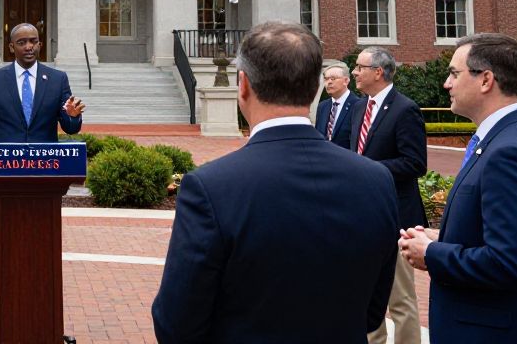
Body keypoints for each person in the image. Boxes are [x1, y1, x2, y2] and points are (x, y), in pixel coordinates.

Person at [151, 22, 398, 344]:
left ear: (243, 86)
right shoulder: (376, 180)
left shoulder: (211, 186)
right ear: (315, 87)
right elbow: (372, 312)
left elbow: (176, 323)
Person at [398, 33, 517, 344]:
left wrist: (433, 253)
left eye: (454, 74)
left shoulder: (507, 151)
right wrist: (447, 238)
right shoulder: (503, 137)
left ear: (486, 80)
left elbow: (508, 262)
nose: (446, 84)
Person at [351, 46, 427, 344]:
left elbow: (415, 163)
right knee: (367, 294)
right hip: (361, 216)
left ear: (378, 72)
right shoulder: (359, 107)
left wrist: (366, 168)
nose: (354, 72)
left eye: (360, 67)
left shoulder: (405, 109)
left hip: (396, 217)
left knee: (400, 298)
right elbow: (353, 153)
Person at [0, 22, 85, 143]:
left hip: (44, 159)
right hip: (8, 159)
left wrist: (73, 116)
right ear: (11, 47)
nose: (28, 47)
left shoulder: (58, 79)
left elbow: (71, 129)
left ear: (39, 45)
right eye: (21, 42)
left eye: (33, 41)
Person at [315, 62, 361, 148]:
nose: (328, 82)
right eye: (326, 79)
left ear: (346, 81)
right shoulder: (322, 106)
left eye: (333, 79)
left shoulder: (358, 106)